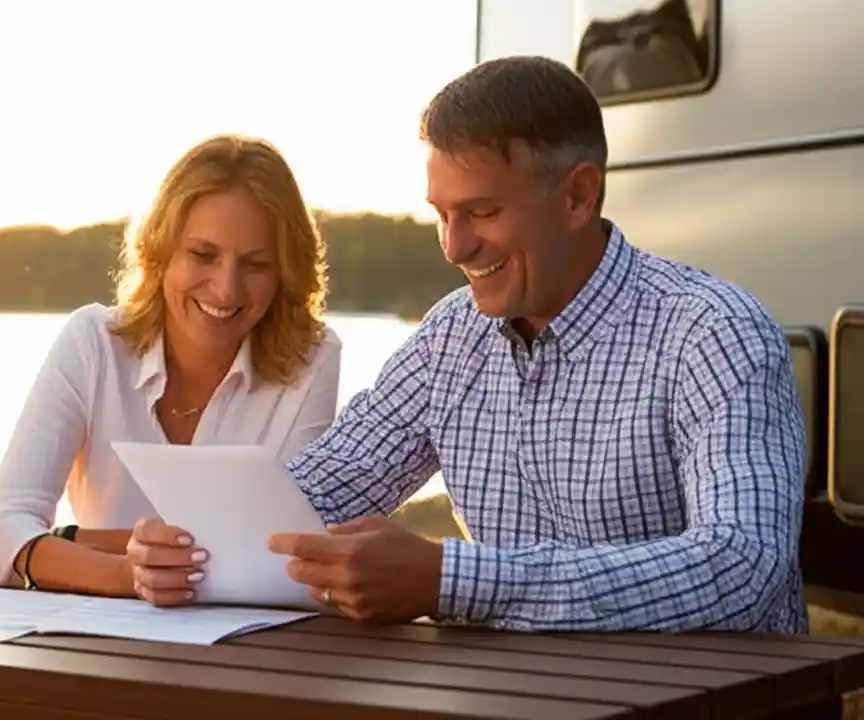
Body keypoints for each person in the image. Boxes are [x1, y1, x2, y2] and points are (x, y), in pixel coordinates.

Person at [127, 56, 808, 633]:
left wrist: (452, 578)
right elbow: (319, 492)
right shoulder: (453, 337)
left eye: (482, 212)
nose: (455, 247)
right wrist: (191, 541)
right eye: (442, 216)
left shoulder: (713, 332)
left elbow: (741, 566)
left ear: (578, 196)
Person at [0, 134, 341, 597]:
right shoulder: (92, 343)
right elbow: (4, 524)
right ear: (161, 250)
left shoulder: (310, 359)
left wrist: (63, 544)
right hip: (98, 644)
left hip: (247, 656)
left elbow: (288, 554)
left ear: (285, 272)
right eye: (203, 255)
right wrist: (126, 574)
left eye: (255, 264)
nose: (226, 289)